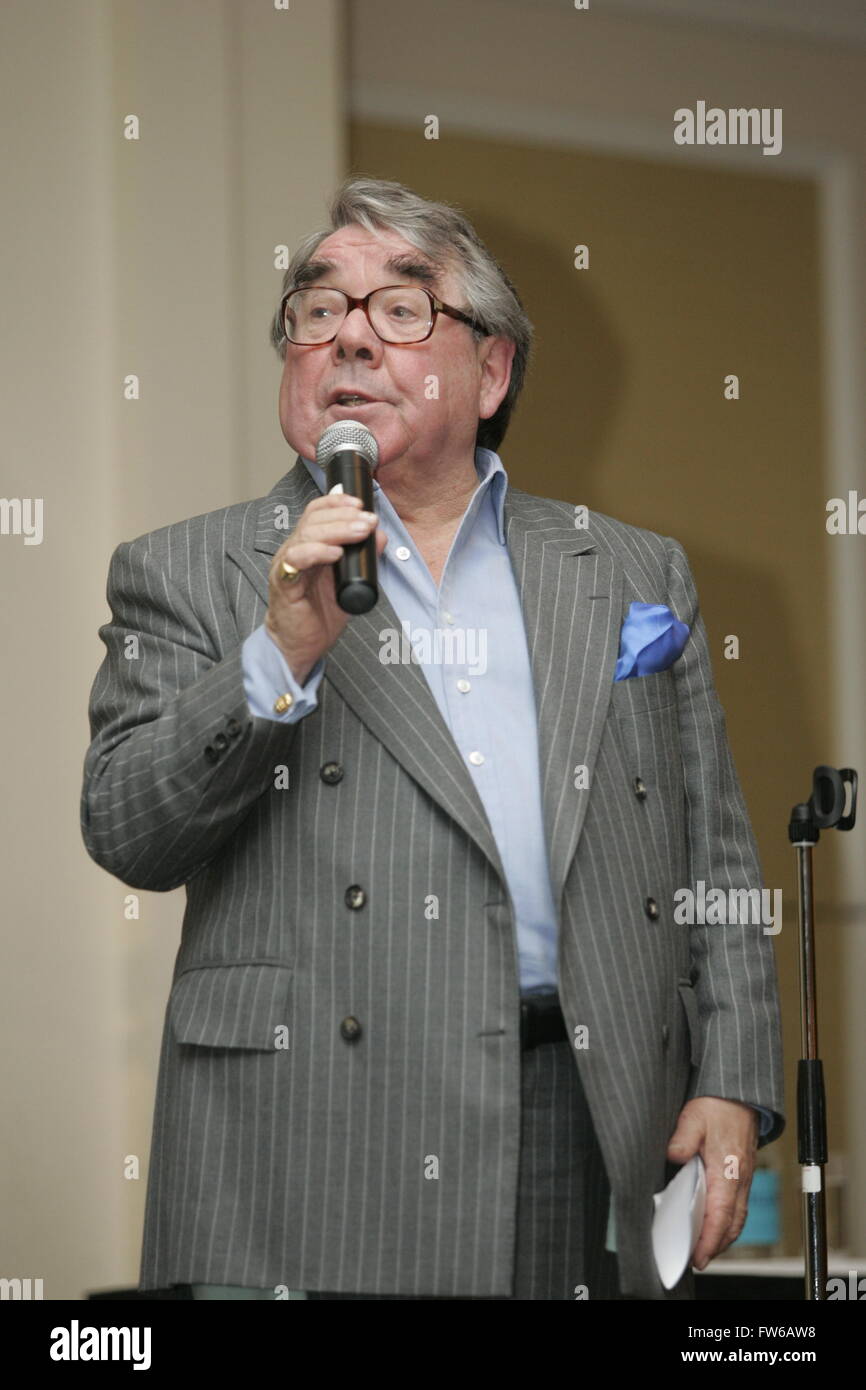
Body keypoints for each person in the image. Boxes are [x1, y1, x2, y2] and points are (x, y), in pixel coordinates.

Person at [80, 176, 785, 1301]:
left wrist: (734, 1077)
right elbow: (126, 828)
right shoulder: (190, 568)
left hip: (583, 1126)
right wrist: (276, 656)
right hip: (304, 1147)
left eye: (400, 308)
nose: (348, 334)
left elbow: (712, 856)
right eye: (317, 309)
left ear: (491, 368)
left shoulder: (629, 572)